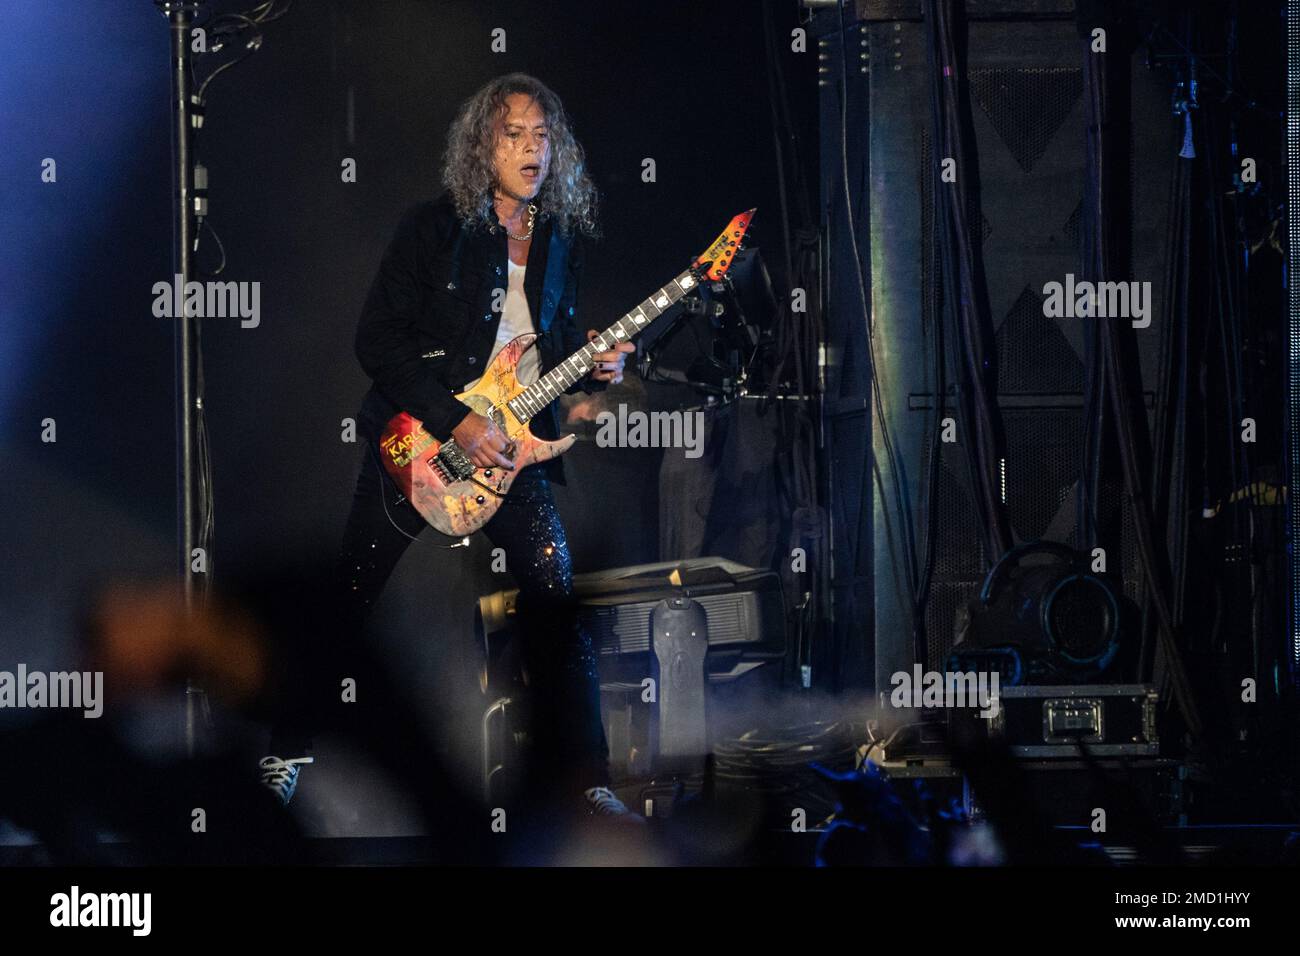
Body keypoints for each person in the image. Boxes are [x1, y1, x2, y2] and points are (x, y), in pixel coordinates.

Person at [258, 73, 637, 822]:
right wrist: (455, 419)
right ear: (480, 147)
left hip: (511, 454)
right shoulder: (432, 230)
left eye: (542, 137)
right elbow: (377, 341)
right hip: (422, 444)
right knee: (349, 600)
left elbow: (555, 346)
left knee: (557, 602)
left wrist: (599, 363)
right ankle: (284, 752)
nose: (531, 149)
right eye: (513, 135)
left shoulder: (562, 241)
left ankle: (586, 780)